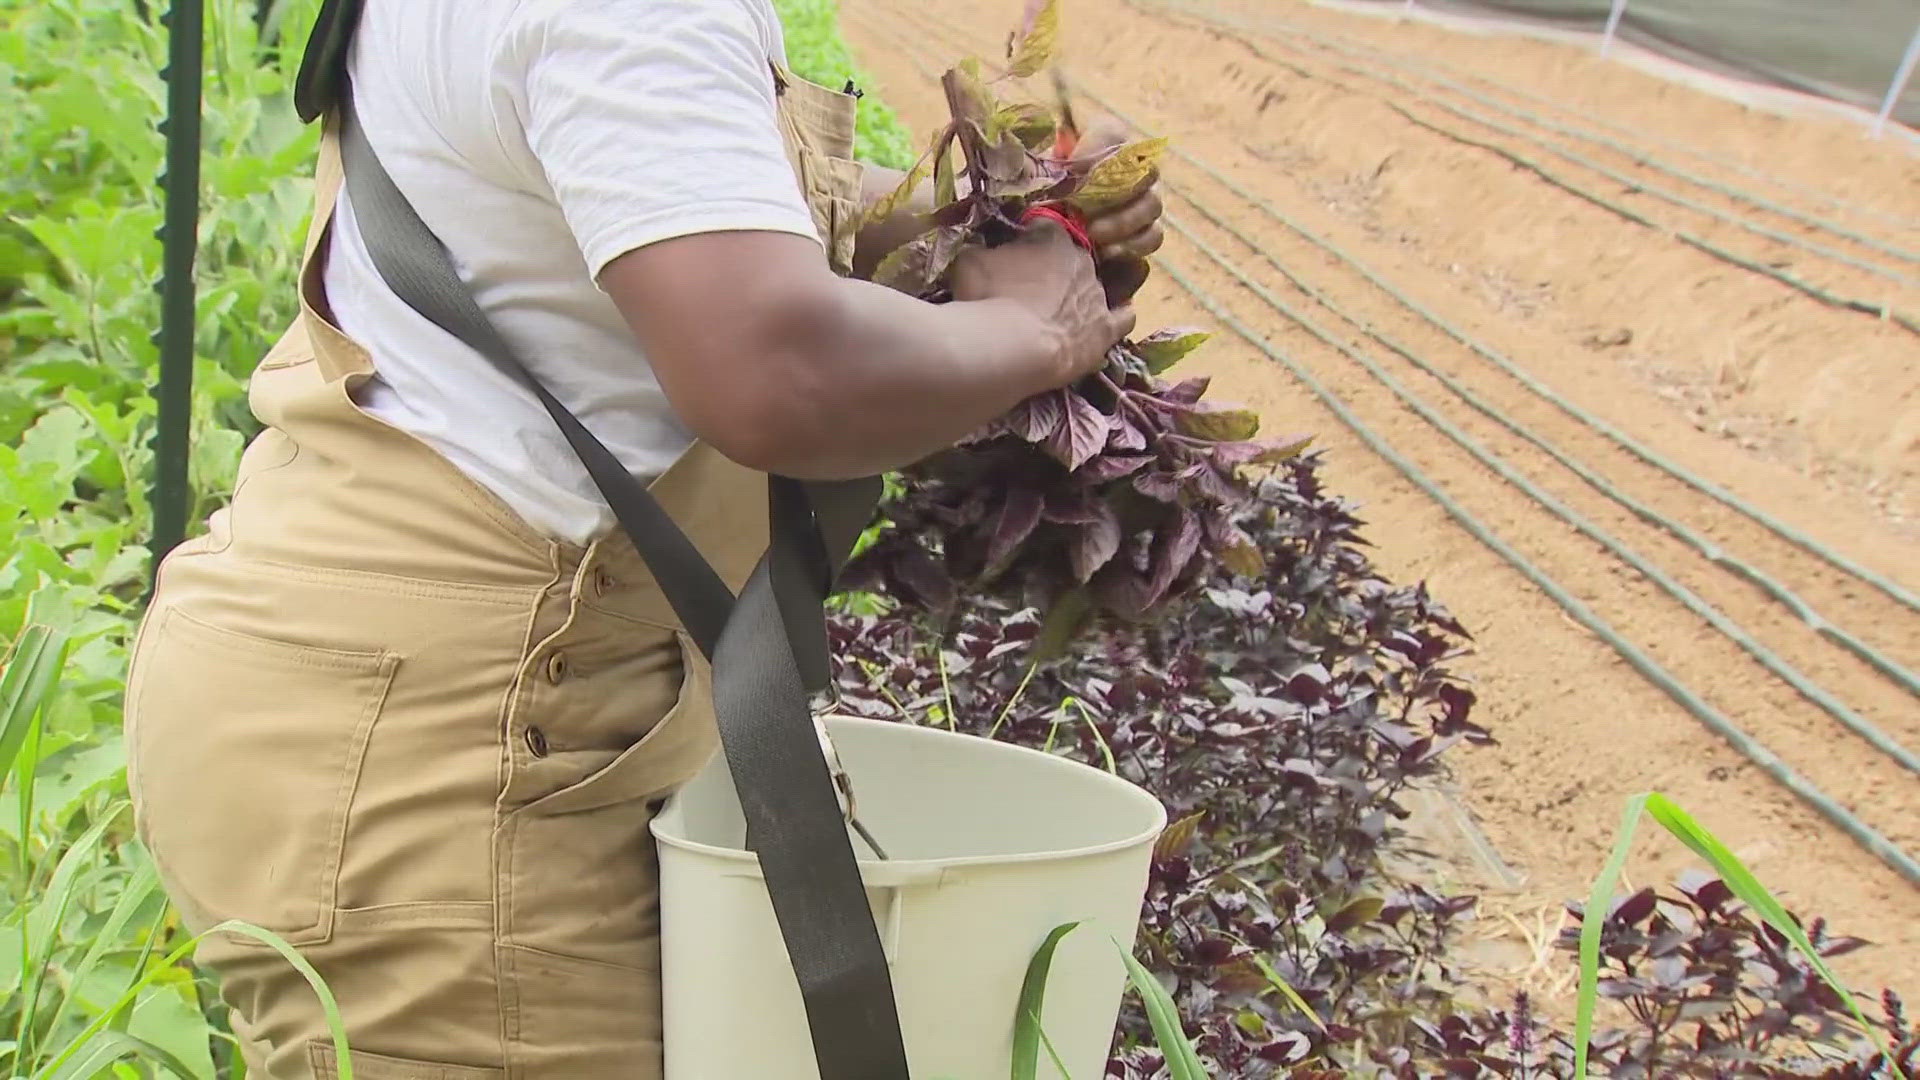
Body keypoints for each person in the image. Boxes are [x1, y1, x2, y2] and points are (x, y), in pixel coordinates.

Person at [122, 0, 1165, 1076]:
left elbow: (623, 186)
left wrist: (965, 218)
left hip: (354, 680)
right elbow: (772, 367)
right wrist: (1033, 330)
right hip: (459, 748)